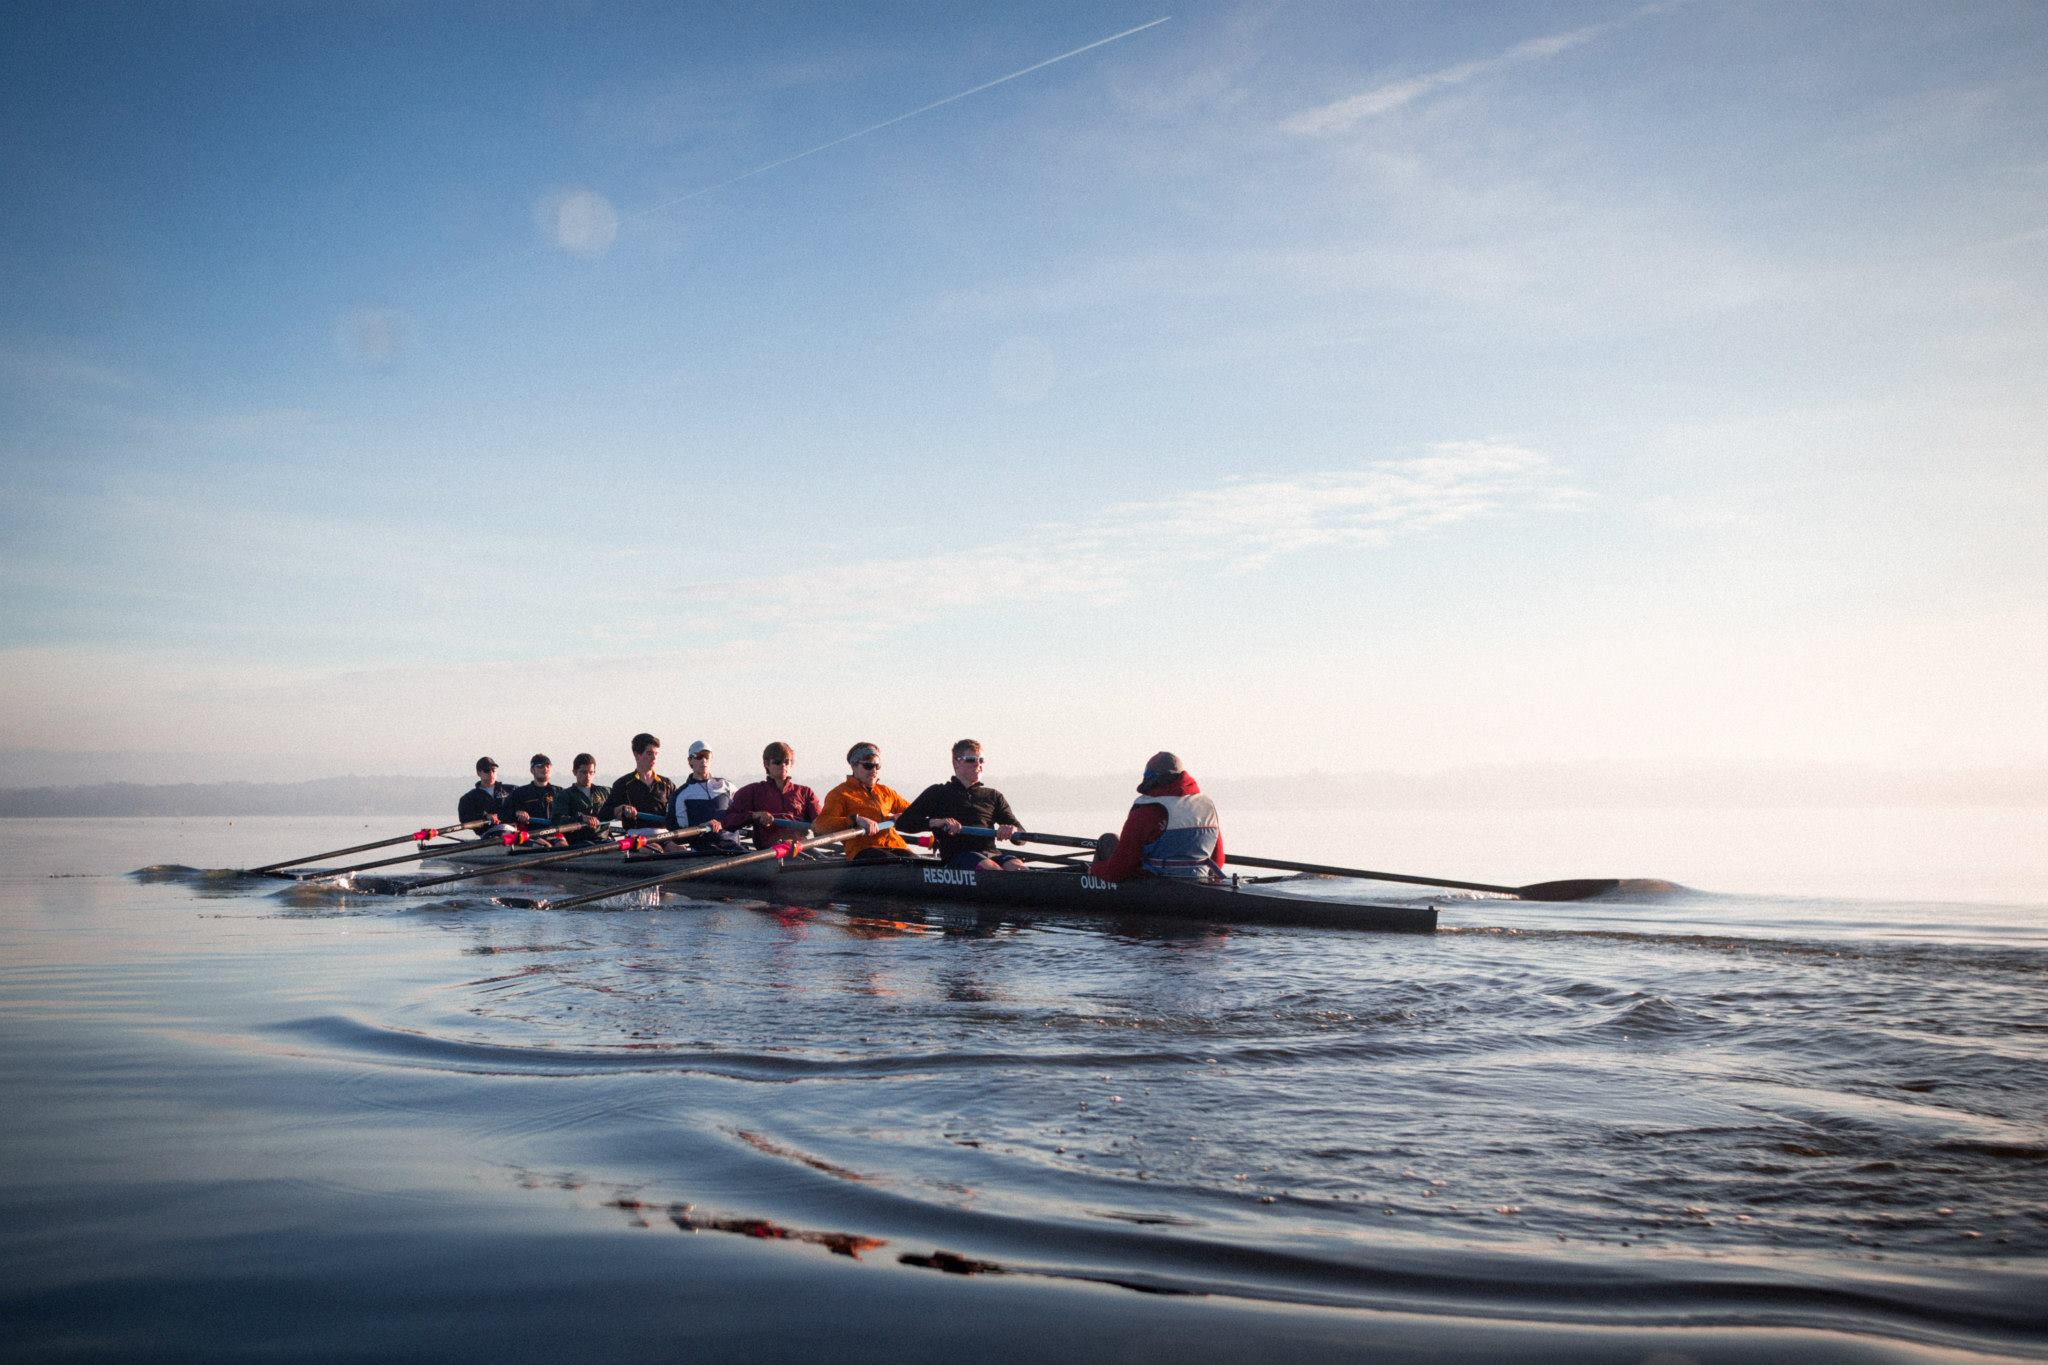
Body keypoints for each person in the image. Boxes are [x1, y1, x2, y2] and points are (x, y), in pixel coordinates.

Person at [1088, 751, 1225, 882]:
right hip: (1198, 881)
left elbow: (1117, 872)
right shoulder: (1205, 806)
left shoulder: (1147, 810)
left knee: (1107, 840)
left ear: (1153, 777)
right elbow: (1218, 860)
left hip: (1153, 887)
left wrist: (1094, 869)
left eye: (1147, 773)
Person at [899, 739, 1026, 870]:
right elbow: (903, 823)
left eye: (981, 760)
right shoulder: (937, 793)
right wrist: (935, 823)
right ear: (956, 763)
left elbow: (1022, 837)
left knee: (1019, 869)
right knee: (991, 869)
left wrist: (1013, 831)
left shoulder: (994, 796)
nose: (978, 764)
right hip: (957, 857)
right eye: (971, 759)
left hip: (992, 854)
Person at [814, 742, 914, 862]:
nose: (874, 770)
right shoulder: (839, 794)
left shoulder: (886, 792)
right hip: (863, 849)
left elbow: (916, 810)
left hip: (896, 845)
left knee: (914, 862)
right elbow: (820, 824)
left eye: (877, 766)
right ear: (854, 766)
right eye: (868, 766)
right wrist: (855, 820)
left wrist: (908, 816)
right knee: (893, 863)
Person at [726, 742, 823, 848]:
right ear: (766, 764)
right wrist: (755, 816)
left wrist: (819, 825)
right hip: (768, 855)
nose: (783, 765)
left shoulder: (806, 792)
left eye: (786, 762)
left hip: (801, 851)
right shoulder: (752, 791)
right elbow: (728, 821)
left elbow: (822, 824)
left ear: (792, 764)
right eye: (777, 762)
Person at [672, 741, 747, 854]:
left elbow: (745, 812)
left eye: (707, 756)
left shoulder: (727, 786)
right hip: (703, 850)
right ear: (690, 760)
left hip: (733, 847)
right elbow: (675, 829)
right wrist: (701, 827)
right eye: (699, 756)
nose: (703, 760)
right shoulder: (680, 794)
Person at [598, 733, 677, 833]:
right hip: (637, 836)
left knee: (678, 848)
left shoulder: (667, 784)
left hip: (664, 834)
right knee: (656, 849)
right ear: (637, 755)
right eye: (649, 753)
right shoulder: (623, 784)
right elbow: (603, 815)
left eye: (656, 754)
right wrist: (621, 809)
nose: (654, 758)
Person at [503, 753, 567, 845]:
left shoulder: (560, 792)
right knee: (545, 846)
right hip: (530, 834)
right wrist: (517, 813)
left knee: (563, 845)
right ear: (532, 770)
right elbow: (503, 814)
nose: (545, 769)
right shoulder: (520, 793)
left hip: (553, 832)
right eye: (540, 766)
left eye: (547, 766)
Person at [552, 753, 611, 845]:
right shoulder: (564, 795)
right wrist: (581, 818)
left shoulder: (605, 792)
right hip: (578, 842)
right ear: (574, 772)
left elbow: (617, 807)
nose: (588, 776)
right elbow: (557, 820)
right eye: (583, 772)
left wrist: (623, 809)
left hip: (603, 840)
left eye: (591, 772)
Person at [457, 757, 512, 832]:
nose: (491, 773)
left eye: (494, 770)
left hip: (512, 831)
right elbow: (465, 820)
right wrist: (485, 817)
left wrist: (521, 812)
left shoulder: (512, 790)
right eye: (487, 770)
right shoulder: (468, 798)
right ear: (478, 773)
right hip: (488, 835)